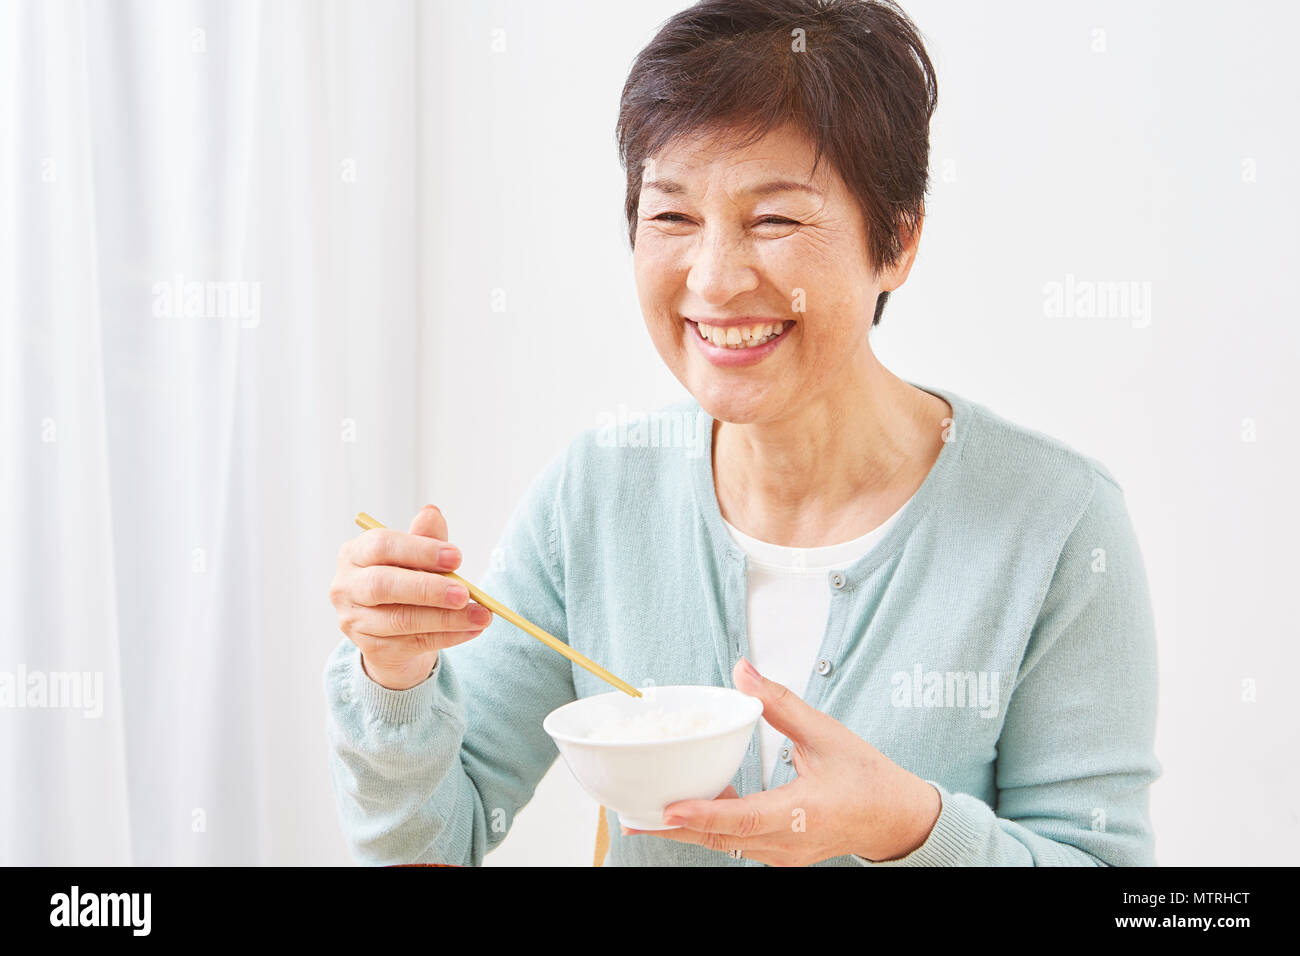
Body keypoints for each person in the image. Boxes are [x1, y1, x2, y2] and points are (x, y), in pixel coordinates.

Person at [324, 0, 1160, 866]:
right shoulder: (598, 496)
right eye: (674, 217)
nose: (715, 280)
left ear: (898, 240)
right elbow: (434, 845)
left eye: (774, 219)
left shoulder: (1057, 523)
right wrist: (396, 676)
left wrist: (911, 828)